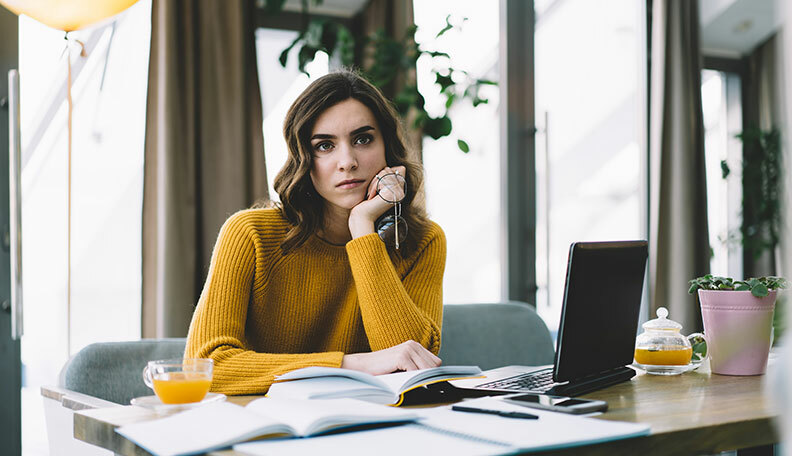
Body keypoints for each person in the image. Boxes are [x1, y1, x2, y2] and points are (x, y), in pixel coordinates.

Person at [185, 70, 447, 395]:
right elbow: (206, 366)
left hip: (372, 427)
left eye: (363, 139)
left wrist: (363, 228)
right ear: (303, 158)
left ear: (387, 146)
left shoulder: (423, 240)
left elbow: (411, 362)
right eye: (324, 146)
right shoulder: (249, 234)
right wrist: (350, 365)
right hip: (266, 431)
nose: (347, 161)